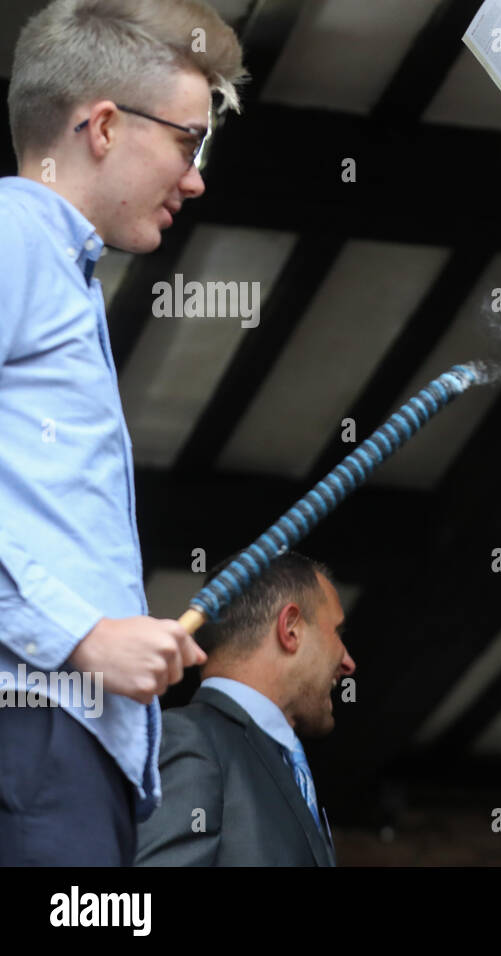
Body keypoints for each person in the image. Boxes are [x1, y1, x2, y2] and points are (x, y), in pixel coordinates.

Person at [0, 0, 245, 865]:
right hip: (33, 734)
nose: (197, 177)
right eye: (189, 142)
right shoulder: (14, 238)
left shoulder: (53, 263)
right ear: (103, 126)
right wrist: (80, 636)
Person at [136, 552, 355, 866]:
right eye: (337, 632)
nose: (348, 662)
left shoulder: (276, 761)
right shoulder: (193, 744)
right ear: (291, 629)